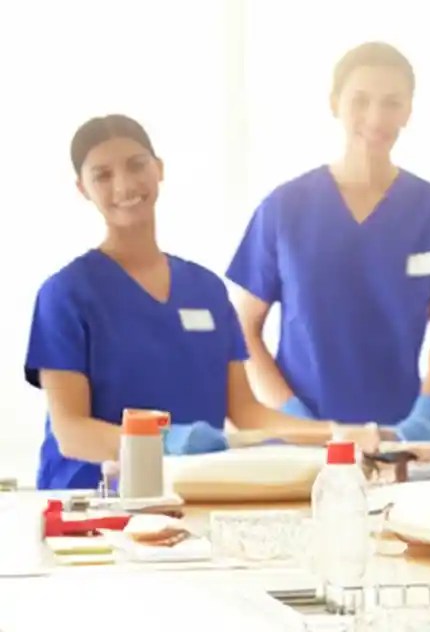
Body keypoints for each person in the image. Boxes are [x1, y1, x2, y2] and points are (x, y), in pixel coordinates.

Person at [24, 114, 375, 491]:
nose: (124, 185)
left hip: (189, 494)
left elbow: (245, 412)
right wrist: (162, 442)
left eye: (136, 165)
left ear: (159, 169)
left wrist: (337, 433)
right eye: (103, 175)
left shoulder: (205, 289)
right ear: (83, 188)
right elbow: (72, 432)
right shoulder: (67, 294)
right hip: (91, 503)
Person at [227, 42, 430, 442]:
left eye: (391, 102)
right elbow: (243, 330)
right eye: (360, 100)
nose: (375, 117)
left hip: (397, 439)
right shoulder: (285, 208)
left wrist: (427, 414)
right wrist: (291, 415)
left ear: (408, 111)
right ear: (334, 103)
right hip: (304, 441)